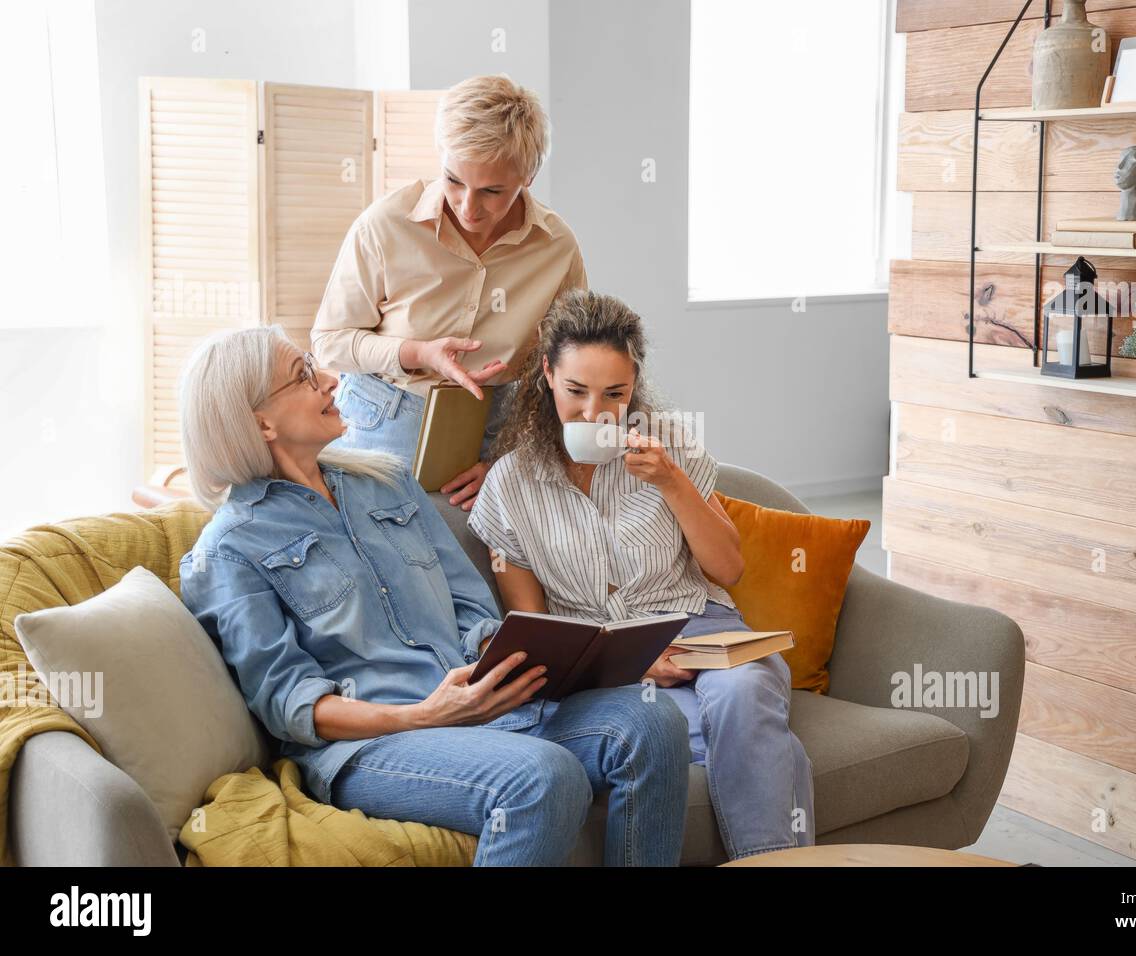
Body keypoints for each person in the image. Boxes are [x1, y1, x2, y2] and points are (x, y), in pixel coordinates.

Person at [177, 324, 689, 866]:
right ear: (261, 420)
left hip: (483, 706)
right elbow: (292, 705)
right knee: (541, 775)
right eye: (303, 376)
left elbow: (471, 607)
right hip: (369, 745)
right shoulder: (229, 550)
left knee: (651, 722)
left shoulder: (388, 481)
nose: (330, 379)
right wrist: (424, 715)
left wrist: (529, 657)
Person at [466, 289, 816, 861]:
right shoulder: (510, 484)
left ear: (635, 387)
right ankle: (778, 826)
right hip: (607, 660)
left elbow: (727, 568)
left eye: (615, 395)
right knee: (707, 733)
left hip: (703, 631)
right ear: (548, 375)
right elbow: (534, 629)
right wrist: (629, 658)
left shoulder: (669, 445)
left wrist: (672, 483)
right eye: (576, 391)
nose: (594, 414)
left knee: (745, 691)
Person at [311, 73, 587, 511]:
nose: (467, 206)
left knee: (479, 567)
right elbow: (328, 343)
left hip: (496, 427)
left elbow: (571, 370)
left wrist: (505, 458)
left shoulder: (556, 247)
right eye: (454, 180)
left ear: (528, 176)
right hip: (382, 418)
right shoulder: (385, 225)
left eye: (492, 191)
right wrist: (419, 353)